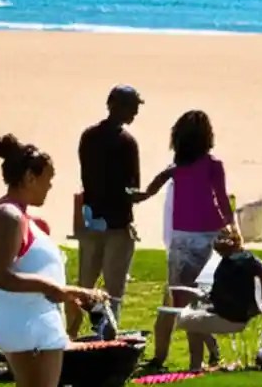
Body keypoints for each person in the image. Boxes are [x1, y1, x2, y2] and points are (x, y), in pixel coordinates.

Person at [0, 135, 106, 387]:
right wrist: (58, 290)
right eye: (48, 179)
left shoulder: (17, 216)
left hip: (27, 320)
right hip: (28, 322)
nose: (49, 186)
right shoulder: (8, 215)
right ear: (29, 177)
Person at [134, 110, 235, 372]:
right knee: (194, 300)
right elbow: (222, 200)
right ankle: (203, 355)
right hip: (207, 237)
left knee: (181, 300)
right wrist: (233, 228)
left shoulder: (178, 168)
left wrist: (138, 196)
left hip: (184, 240)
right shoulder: (211, 165)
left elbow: (152, 187)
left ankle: (191, 360)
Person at [70, 84, 143, 336]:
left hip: (91, 221)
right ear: (117, 106)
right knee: (114, 291)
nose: (134, 112)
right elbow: (133, 188)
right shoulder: (127, 142)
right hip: (117, 225)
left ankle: (70, 333)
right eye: (132, 107)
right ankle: (109, 336)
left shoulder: (88, 137)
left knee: (83, 285)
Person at [175, 226, 262, 373]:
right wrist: (261, 305)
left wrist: (206, 298)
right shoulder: (253, 260)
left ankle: (196, 366)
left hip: (232, 318)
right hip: (249, 314)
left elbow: (219, 297)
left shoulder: (226, 267)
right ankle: (213, 352)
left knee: (188, 320)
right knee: (198, 317)